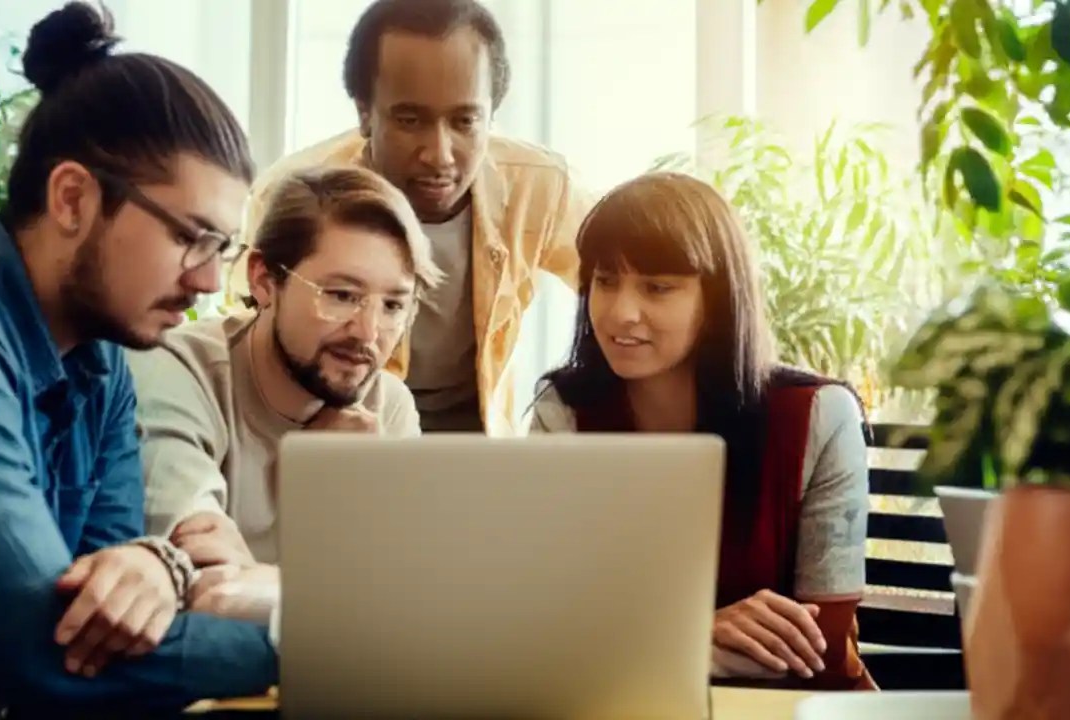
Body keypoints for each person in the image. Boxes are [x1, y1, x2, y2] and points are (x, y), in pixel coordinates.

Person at [0, 3, 276, 714]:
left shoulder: (99, 356)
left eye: (222, 249)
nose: (211, 281)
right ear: (73, 198)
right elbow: (49, 649)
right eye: (191, 238)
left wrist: (156, 566)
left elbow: (106, 613)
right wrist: (324, 639)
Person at [528, 172, 875, 691]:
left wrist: (644, 643)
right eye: (605, 280)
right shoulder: (564, 411)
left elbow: (816, 647)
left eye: (657, 287)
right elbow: (548, 620)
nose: (620, 313)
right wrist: (694, 639)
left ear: (717, 298)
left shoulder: (819, 415)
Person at [242, 0, 594, 435]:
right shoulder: (292, 196)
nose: (439, 156)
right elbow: (249, 341)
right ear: (364, 112)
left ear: (491, 114)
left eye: (465, 121)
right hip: (335, 430)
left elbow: (627, 279)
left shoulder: (538, 186)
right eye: (410, 120)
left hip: (477, 443)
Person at [128, 166, 441, 595]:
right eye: (341, 296)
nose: (368, 333)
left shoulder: (387, 407)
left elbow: (403, 591)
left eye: (393, 306)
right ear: (263, 280)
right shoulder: (178, 371)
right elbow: (205, 578)